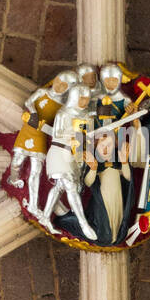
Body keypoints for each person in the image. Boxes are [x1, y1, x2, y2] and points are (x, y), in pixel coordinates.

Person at [8, 70, 75, 216]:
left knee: (36, 171)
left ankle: (33, 204)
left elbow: (59, 124)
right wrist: (33, 113)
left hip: (40, 136)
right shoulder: (42, 92)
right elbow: (28, 102)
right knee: (17, 162)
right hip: (28, 130)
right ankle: (13, 178)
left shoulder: (61, 107)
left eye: (64, 86)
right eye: (59, 82)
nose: (60, 86)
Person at [40, 83, 97, 239]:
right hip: (59, 151)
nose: (84, 102)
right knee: (70, 187)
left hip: (73, 155)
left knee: (59, 187)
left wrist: (86, 138)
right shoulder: (63, 113)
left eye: (87, 99)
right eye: (82, 99)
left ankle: (45, 216)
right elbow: (57, 134)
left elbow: (89, 139)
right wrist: (76, 133)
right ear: (74, 97)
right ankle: (83, 224)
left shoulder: (87, 116)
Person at [82, 129, 134, 246]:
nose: (105, 149)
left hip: (117, 198)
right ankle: (107, 237)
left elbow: (128, 178)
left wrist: (125, 163)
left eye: (109, 145)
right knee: (104, 221)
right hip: (102, 200)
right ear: (96, 146)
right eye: (101, 146)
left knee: (117, 218)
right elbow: (88, 182)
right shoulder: (95, 162)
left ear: (115, 145)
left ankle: (115, 236)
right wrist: (94, 168)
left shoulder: (119, 160)